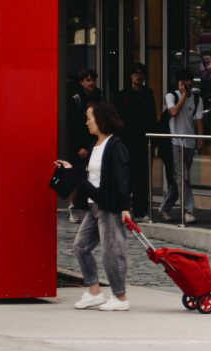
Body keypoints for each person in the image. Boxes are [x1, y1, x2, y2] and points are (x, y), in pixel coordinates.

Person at [58, 99, 134, 311]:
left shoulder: (115, 146)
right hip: (94, 206)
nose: (87, 123)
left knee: (113, 252)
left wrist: (125, 208)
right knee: (80, 247)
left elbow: (122, 179)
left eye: (89, 118)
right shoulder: (95, 145)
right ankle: (94, 291)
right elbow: (87, 176)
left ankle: (120, 298)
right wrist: (70, 167)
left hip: (109, 207)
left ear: (100, 119)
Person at [114, 65, 160, 219]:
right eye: (135, 74)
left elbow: (152, 117)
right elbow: (117, 118)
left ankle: (141, 210)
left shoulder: (148, 93)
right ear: (130, 77)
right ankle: (123, 208)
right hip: (126, 141)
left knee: (142, 178)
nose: (138, 77)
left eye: (141, 74)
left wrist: (153, 139)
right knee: (126, 176)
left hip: (143, 141)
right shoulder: (122, 95)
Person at [158, 72, 203, 223]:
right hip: (175, 142)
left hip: (189, 142)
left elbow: (198, 120)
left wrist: (200, 137)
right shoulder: (171, 96)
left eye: (190, 80)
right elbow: (174, 112)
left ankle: (164, 207)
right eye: (185, 81)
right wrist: (183, 96)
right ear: (180, 83)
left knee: (181, 179)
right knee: (183, 177)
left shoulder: (197, 98)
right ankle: (189, 210)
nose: (189, 83)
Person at [64, 69, 101, 218]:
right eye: (87, 80)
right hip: (79, 141)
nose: (91, 83)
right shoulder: (76, 98)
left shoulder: (99, 96)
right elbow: (72, 125)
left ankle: (91, 204)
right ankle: (72, 206)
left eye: (92, 79)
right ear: (81, 82)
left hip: (95, 139)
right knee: (76, 174)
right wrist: (79, 146)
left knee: (92, 173)